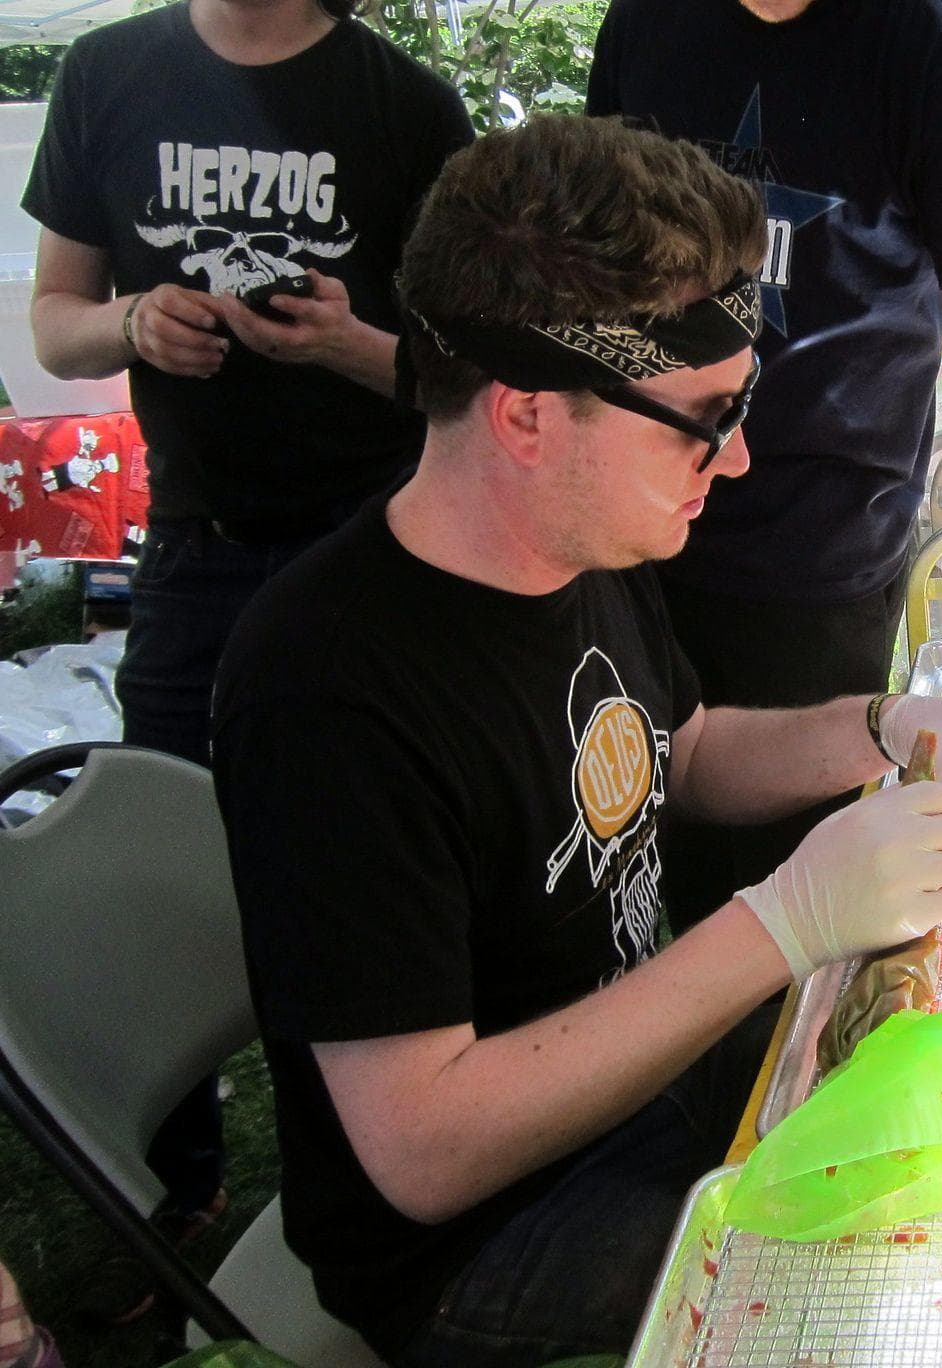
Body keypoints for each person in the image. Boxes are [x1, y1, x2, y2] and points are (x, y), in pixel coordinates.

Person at [211, 115, 942, 1367]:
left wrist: (889, 724)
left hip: (631, 1088)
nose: (735, 459)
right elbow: (423, 1151)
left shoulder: (576, 544)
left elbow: (678, 749)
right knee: (936, 1289)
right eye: (703, 415)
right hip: (477, 1248)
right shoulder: (328, 692)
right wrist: (782, 923)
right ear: (526, 414)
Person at [20, 0, 472, 1259]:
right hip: (195, 553)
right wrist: (132, 323)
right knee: (159, 865)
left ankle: (397, 1160)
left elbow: (459, 377)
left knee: (379, 872)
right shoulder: (110, 71)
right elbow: (55, 320)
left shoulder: (404, 104)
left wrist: (339, 341)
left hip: (371, 551)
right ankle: (179, 1194)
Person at [586, 0, 942, 927]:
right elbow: (594, 272)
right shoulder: (648, 25)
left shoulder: (927, 50)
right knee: (624, 863)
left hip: (821, 556)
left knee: (785, 890)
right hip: (634, 533)